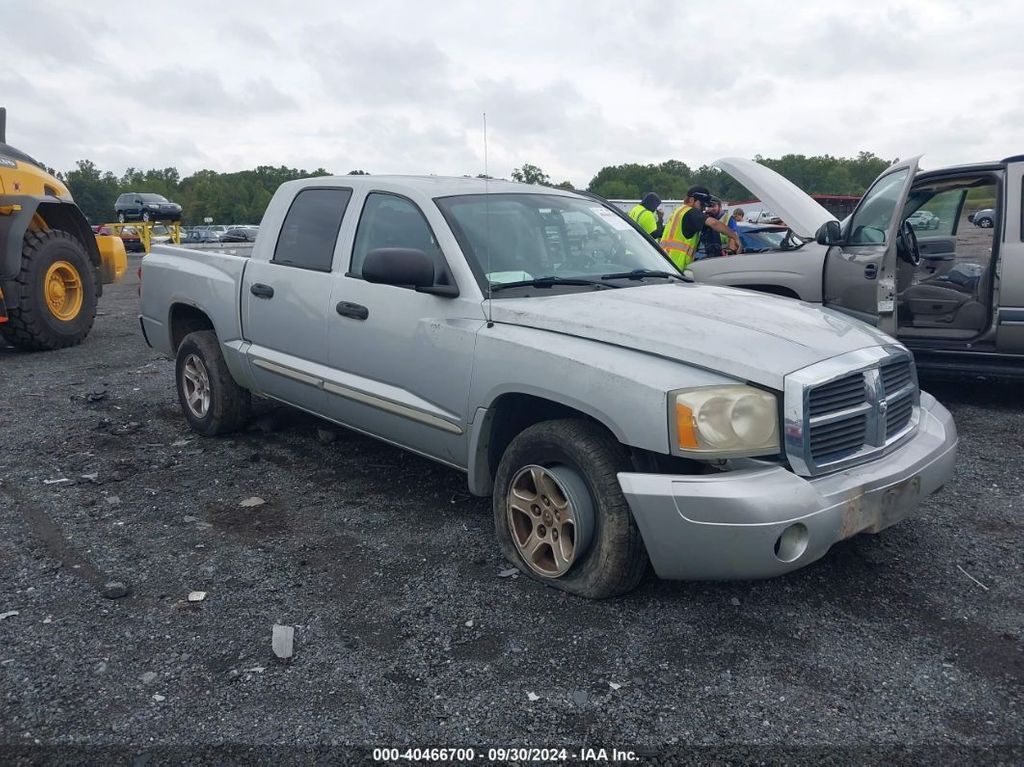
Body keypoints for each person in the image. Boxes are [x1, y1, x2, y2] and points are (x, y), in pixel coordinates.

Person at [660, 186, 741, 269]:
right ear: (692, 200)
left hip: (665, 262)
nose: (703, 208)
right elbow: (714, 223)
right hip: (676, 266)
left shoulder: (678, 211)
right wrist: (735, 237)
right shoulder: (690, 212)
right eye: (701, 204)